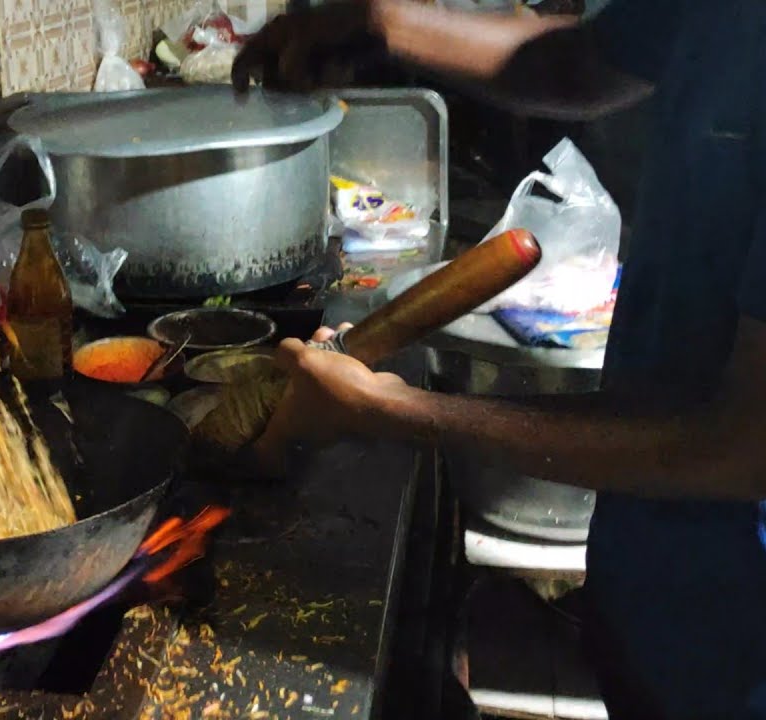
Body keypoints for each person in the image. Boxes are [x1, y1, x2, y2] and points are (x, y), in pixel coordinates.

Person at [233, 1, 766, 718]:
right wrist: (381, 21)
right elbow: (585, 60)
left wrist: (391, 408)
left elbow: (742, 446)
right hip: (652, 586)